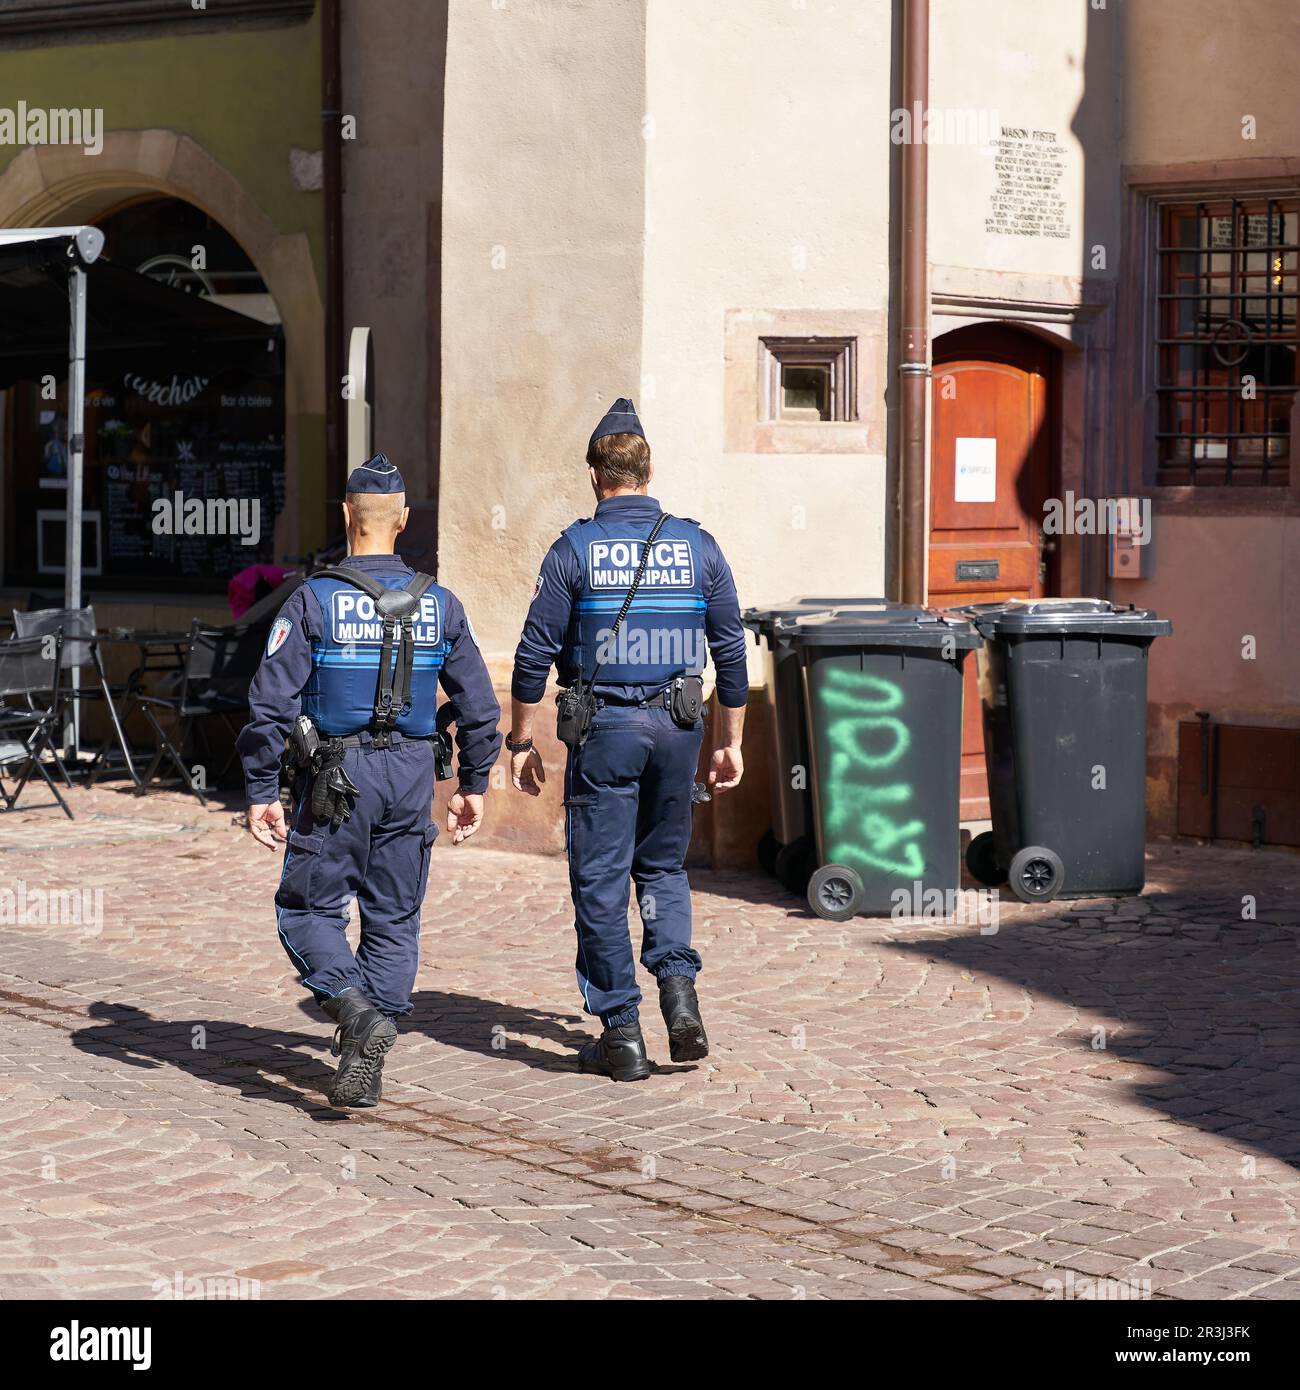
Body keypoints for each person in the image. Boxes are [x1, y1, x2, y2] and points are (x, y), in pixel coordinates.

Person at [236, 453, 501, 1107]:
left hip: (337, 774)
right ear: (403, 520)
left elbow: (270, 704)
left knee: (306, 908)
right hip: (412, 773)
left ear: (347, 515)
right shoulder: (440, 604)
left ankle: (357, 1015)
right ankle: (367, 1048)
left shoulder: (314, 598)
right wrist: (475, 782)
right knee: (394, 915)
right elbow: (480, 707)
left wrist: (262, 789)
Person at [508, 399, 748, 1081]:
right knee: (664, 869)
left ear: (594, 475)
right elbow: (731, 654)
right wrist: (728, 741)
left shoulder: (573, 548)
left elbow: (532, 657)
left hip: (606, 732)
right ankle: (679, 999)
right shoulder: (698, 545)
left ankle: (621, 1032)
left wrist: (521, 741)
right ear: (647, 470)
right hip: (679, 728)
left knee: (600, 881)